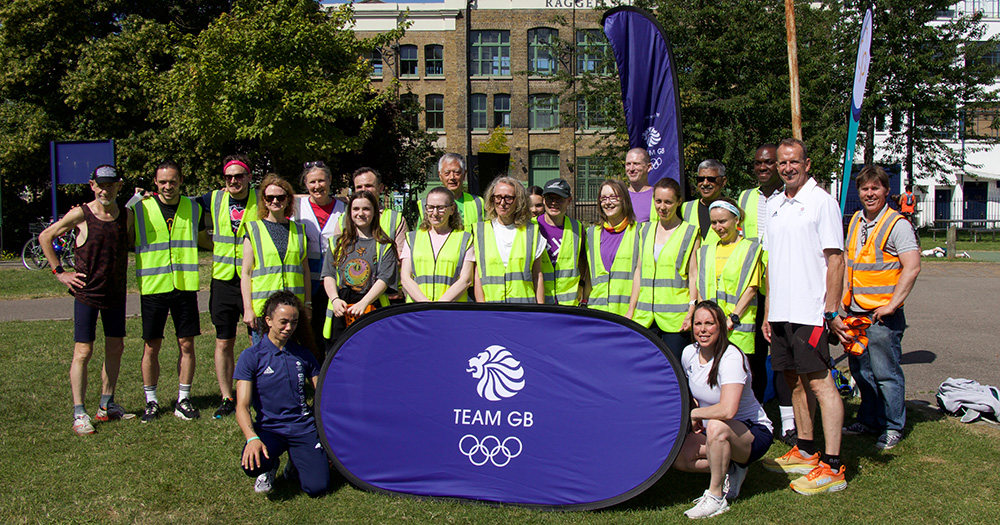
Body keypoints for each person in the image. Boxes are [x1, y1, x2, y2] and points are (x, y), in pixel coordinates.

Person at [761, 138, 849, 495]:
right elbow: (771, 264)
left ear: (807, 163)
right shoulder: (775, 204)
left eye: (793, 162)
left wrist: (830, 309)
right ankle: (807, 451)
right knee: (793, 381)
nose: (787, 168)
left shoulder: (822, 202)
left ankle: (833, 466)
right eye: (782, 163)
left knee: (820, 383)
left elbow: (836, 260)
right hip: (781, 311)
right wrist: (768, 312)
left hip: (810, 312)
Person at [41, 165, 133, 435]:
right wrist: (60, 272)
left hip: (115, 293)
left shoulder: (125, 215)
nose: (106, 190)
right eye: (100, 185)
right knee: (83, 351)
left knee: (115, 348)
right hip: (87, 293)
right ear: (92, 185)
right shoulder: (81, 213)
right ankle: (79, 412)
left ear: (119, 185)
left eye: (111, 185)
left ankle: (106, 405)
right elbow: (46, 236)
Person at [841, 165, 921, 450]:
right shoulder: (856, 222)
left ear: (886, 191)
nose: (869, 193)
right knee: (861, 371)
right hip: (856, 312)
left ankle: (892, 426)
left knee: (886, 373)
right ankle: (869, 419)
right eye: (865, 188)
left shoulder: (896, 224)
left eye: (875, 188)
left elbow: (912, 267)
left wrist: (893, 304)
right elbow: (850, 263)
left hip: (882, 316)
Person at [672, 301, 774, 519]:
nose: (702, 329)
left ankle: (716, 497)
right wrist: (694, 409)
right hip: (714, 432)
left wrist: (696, 415)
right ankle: (733, 469)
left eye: (709, 323)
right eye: (698, 323)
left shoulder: (731, 357)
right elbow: (692, 395)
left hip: (752, 433)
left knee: (718, 426)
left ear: (720, 326)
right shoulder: (689, 353)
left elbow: (728, 410)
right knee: (677, 456)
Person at [133, 160, 209, 422]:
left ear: (181, 181)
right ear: (155, 182)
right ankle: (151, 401)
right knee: (151, 346)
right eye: (163, 182)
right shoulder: (139, 208)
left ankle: (183, 398)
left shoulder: (193, 207)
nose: (168, 186)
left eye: (172, 181)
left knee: (186, 344)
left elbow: (202, 240)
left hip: (184, 286)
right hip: (153, 287)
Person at [235, 290, 329, 497]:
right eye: (283, 322)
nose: (289, 328)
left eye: (294, 322)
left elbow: (323, 393)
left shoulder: (303, 354)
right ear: (268, 320)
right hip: (270, 429)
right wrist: (252, 438)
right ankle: (270, 465)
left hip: (303, 428)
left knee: (317, 488)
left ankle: (295, 462)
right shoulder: (251, 356)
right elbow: (241, 405)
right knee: (252, 466)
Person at [739, 144, 797, 444]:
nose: (763, 167)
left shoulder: (789, 196)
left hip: (781, 285)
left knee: (782, 356)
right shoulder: (745, 197)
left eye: (768, 163)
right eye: (758, 163)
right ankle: (756, 413)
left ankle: (789, 421)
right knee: (755, 355)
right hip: (753, 288)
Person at [195, 154, 258, 419]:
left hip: (254, 279)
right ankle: (227, 396)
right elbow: (177, 204)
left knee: (258, 340)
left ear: (249, 177)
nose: (233, 181)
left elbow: (292, 197)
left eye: (239, 176)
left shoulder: (263, 197)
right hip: (222, 280)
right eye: (228, 177)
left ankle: (257, 392)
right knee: (224, 342)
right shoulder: (214, 198)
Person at [632, 177, 700, 359]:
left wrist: (691, 311)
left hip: (676, 319)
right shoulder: (644, 231)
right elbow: (639, 271)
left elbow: (694, 276)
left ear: (678, 202)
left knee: (674, 370)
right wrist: (632, 309)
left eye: (668, 202)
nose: (662, 207)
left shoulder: (690, 232)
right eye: (658, 201)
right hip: (645, 317)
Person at [322, 190, 399, 349]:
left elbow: (384, 278)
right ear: (349, 212)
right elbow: (329, 274)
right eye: (356, 209)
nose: (360, 213)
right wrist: (335, 300)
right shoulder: (335, 242)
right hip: (341, 310)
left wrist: (364, 302)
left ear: (374, 212)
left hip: (372, 308)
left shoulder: (385, 246)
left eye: (366, 209)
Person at [241, 174, 310, 346]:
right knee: (265, 360)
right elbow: (246, 273)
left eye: (280, 197)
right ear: (264, 200)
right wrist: (248, 309)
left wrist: (308, 304)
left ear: (288, 200)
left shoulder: (299, 231)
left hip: (293, 310)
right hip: (265, 311)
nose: (275, 201)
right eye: (270, 197)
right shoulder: (253, 230)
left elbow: (305, 271)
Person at [698, 198, 763, 363]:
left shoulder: (751, 249)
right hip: (711, 329)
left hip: (737, 329)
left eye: (722, 221)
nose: (718, 227)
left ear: (736, 220)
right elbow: (701, 288)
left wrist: (731, 320)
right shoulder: (705, 251)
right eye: (713, 222)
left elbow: (751, 288)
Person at [294, 161, 346, 353]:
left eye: (321, 181)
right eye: (312, 182)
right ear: (306, 184)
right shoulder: (297, 207)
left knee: (333, 331)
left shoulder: (344, 208)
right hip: (307, 282)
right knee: (309, 332)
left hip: (335, 282)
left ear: (330, 180)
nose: (317, 186)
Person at [473, 176, 546, 304]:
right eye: (498, 197)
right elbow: (478, 276)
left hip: (524, 309)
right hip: (492, 310)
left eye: (508, 198)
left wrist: (540, 311)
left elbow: (537, 275)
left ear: (519, 201)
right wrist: (482, 310)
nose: (502, 203)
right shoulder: (480, 231)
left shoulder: (532, 231)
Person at [399, 187, 475, 302]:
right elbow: (405, 277)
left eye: (441, 208)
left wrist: (439, 306)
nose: (435, 213)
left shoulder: (465, 239)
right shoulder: (412, 238)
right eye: (430, 207)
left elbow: (466, 279)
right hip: (418, 310)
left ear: (452, 209)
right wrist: (426, 304)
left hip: (451, 310)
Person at [349, 167, 407, 302]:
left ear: (380, 188)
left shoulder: (395, 219)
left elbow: (402, 258)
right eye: (359, 187)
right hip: (352, 294)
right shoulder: (343, 220)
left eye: (369, 186)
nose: (364, 190)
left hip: (388, 293)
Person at [585, 179, 641, 316]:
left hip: (628, 313)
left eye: (613, 197)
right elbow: (587, 275)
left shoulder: (640, 232)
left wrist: (631, 311)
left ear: (624, 200)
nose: (608, 202)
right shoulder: (591, 234)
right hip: (597, 312)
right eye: (603, 198)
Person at [536, 178, 589, 306]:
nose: (553, 203)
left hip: (569, 305)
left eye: (559, 199)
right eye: (549, 198)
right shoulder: (532, 227)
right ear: (543, 199)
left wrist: (581, 285)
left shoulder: (577, 228)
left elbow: (582, 261)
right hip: (540, 303)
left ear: (569, 201)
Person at [430, 153, 486, 229]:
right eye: (447, 173)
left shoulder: (477, 202)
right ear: (440, 176)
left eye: (457, 173)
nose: (452, 177)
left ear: (464, 175)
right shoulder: (427, 205)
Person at [682, 159, 728, 244]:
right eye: (700, 179)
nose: (705, 183)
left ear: (723, 181)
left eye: (711, 179)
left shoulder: (730, 209)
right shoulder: (685, 208)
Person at [625, 148, 655, 222]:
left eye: (636, 164)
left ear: (648, 167)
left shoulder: (657, 196)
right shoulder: (620, 196)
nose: (631, 169)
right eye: (628, 164)